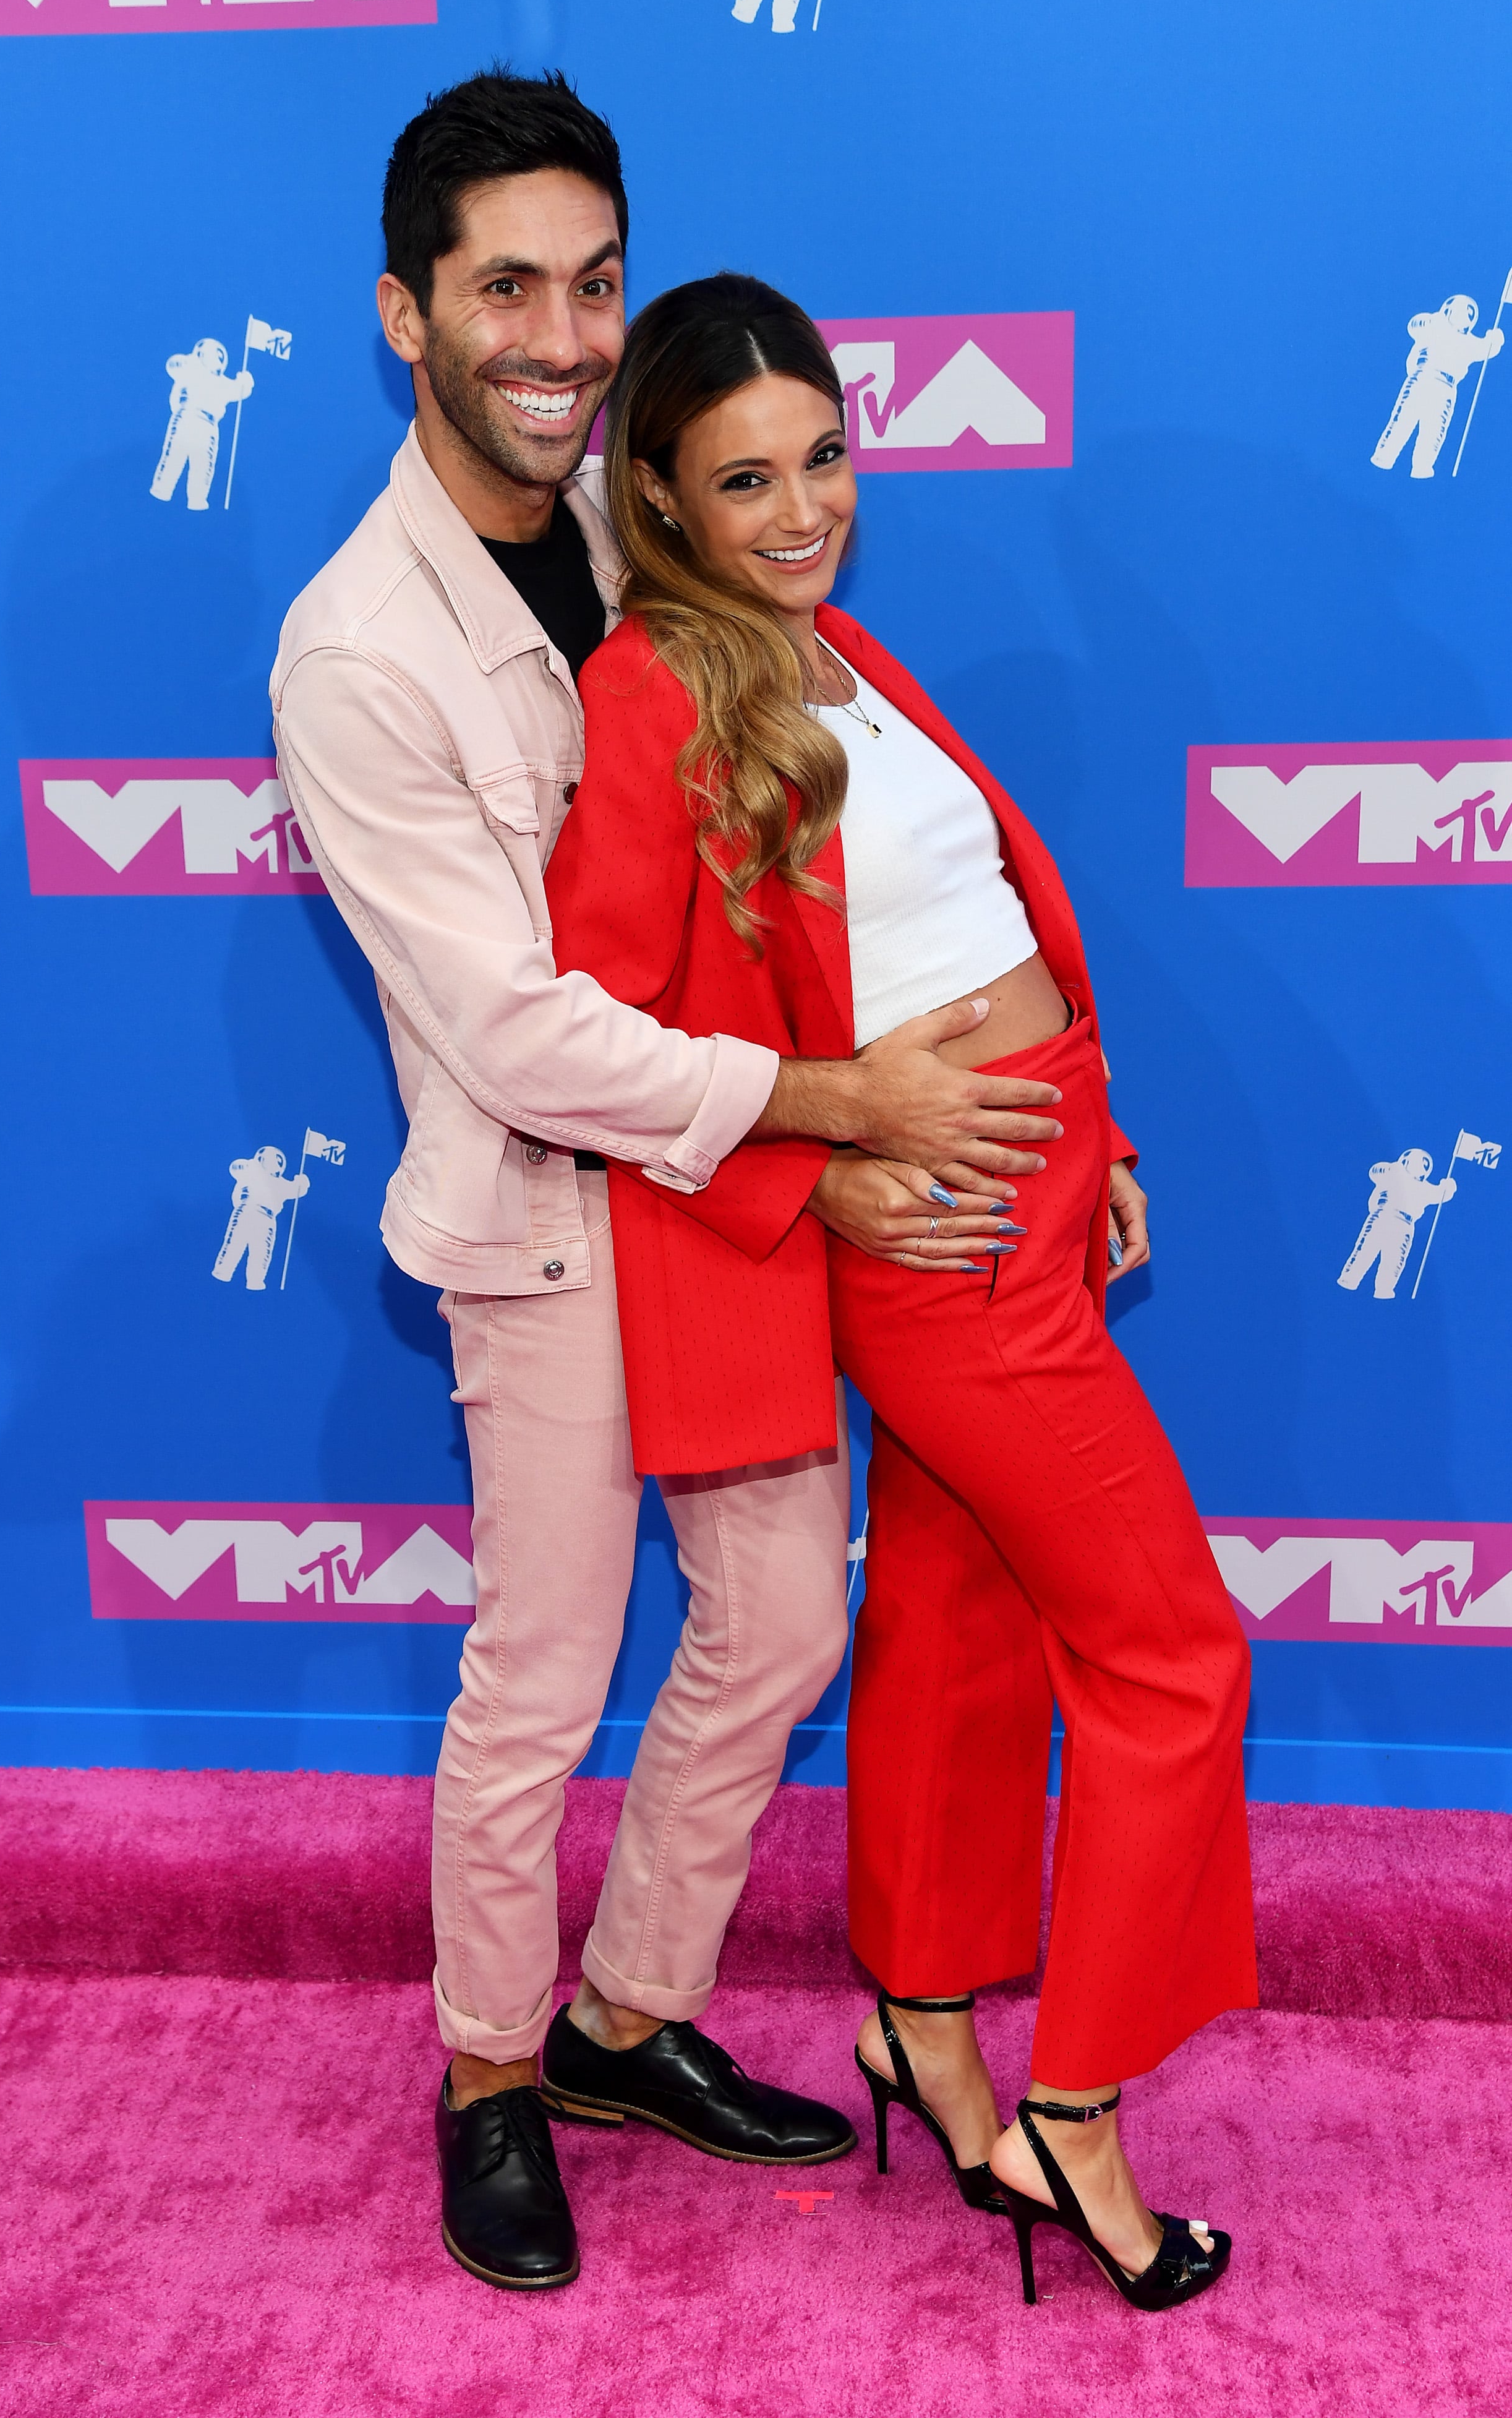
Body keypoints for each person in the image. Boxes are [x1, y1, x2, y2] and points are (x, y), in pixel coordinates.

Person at [268, 74, 1057, 2294]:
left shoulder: (652, 521)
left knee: (783, 1616)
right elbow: (518, 1025)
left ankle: (625, 2016)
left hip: (727, 1204)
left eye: (592, 281)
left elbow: (792, 837)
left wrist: (951, 1108)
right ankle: (488, 2073)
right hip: (551, 1211)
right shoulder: (354, 646)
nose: (561, 328)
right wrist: (837, 1105)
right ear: (404, 315)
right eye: (503, 284)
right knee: (541, 1664)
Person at [545, 273, 1258, 2314]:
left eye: (823, 458)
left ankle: (920, 2022)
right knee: (1170, 1658)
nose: (799, 510)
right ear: (659, 502)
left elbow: (961, 914)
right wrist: (818, 1168)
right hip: (936, 1251)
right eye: (742, 480)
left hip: (1027, 1196)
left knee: (951, 1626)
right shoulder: (648, 698)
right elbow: (597, 1023)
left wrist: (1090, 1128)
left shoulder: (826, 647)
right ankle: (1080, 2112)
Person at [1371, 294, 1503, 480]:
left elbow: (1486, 349)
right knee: (1404, 420)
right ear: (1448, 310)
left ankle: (1422, 467)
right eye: (1459, 310)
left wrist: (1495, 339)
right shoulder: (1434, 326)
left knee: (1434, 430)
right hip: (1423, 377)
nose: (1463, 315)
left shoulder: (1468, 342)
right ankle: (1384, 457)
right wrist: (1434, 320)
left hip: (1447, 388)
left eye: (1468, 313)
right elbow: (1414, 325)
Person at [150, 338, 254, 510]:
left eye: (221, 357)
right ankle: (162, 490)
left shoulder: (222, 383)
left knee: (204, 464)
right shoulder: (190, 369)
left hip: (209, 425)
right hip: (186, 416)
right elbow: (172, 365)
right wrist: (190, 361)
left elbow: (239, 391)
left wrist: (246, 382)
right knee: (174, 455)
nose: (218, 359)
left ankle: (197, 500)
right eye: (216, 354)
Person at [1338, 1147, 1454, 1299]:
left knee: (1394, 1260)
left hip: (1404, 1224)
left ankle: (1383, 1290)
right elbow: (1375, 1171)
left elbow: (1440, 1195)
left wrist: (1448, 1187)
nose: (1420, 1167)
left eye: (1424, 1165)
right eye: (1418, 1162)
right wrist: (1392, 1168)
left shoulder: (1424, 1188)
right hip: (1383, 1215)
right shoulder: (1394, 1172)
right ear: (1407, 1161)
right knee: (1366, 1250)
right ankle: (1350, 1279)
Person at [211, 1145, 308, 1290]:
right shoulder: (251, 1170)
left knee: (262, 1251)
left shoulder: (280, 1183)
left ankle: (255, 1281)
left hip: (267, 1218)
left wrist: (302, 1182)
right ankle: (223, 1271)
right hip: (247, 1208)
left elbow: (296, 1190)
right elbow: (235, 1167)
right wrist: (250, 1165)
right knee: (235, 1243)